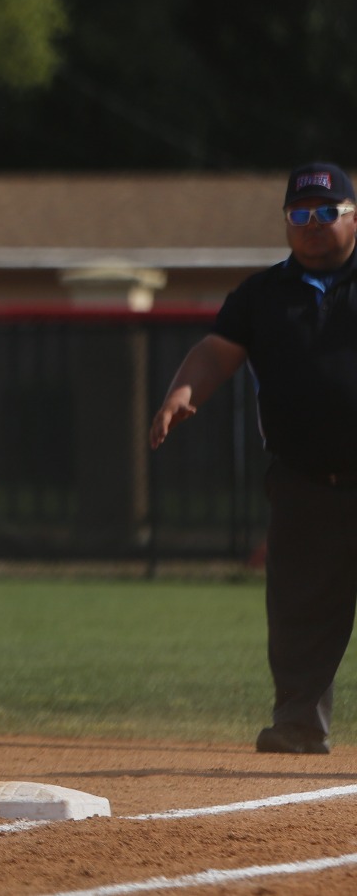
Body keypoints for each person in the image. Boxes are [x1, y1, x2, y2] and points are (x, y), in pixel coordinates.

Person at [151, 161, 357, 755]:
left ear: (353, 217)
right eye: (299, 213)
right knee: (299, 610)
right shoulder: (261, 295)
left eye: (327, 211)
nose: (312, 223)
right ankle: (298, 723)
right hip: (303, 480)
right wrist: (181, 392)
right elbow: (217, 353)